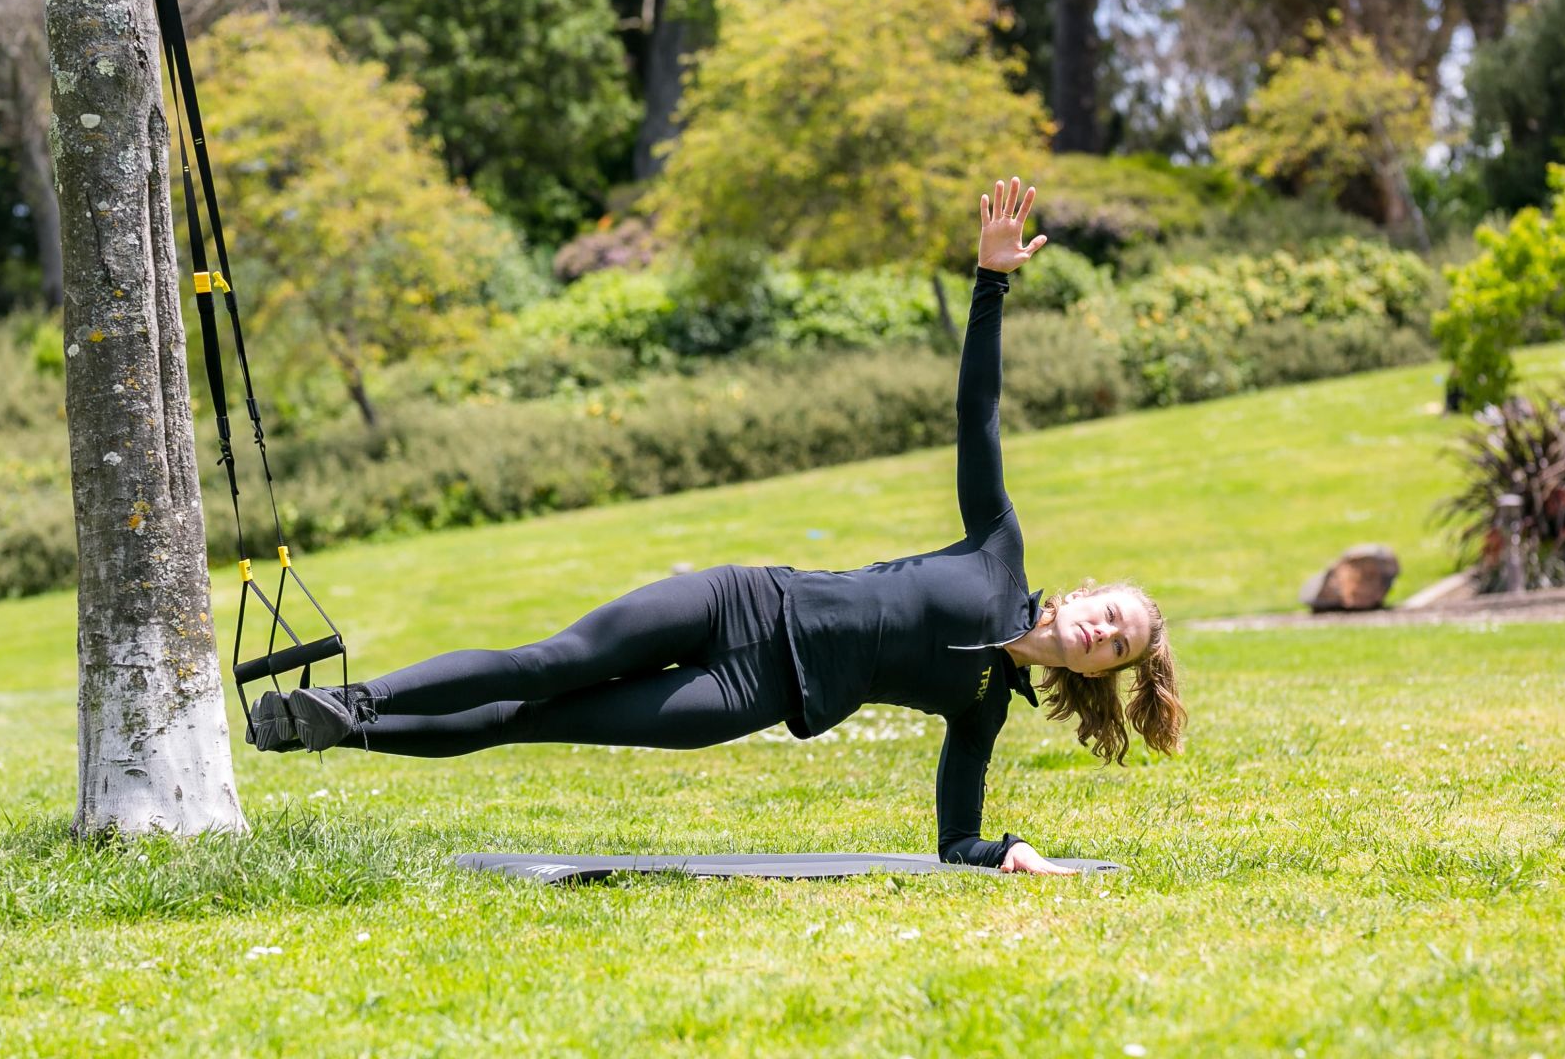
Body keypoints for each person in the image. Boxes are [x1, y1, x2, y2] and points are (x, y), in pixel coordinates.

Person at [248, 176, 1187, 874]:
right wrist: (990, 284)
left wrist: (1006, 852)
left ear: (1097, 676)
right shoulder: (997, 553)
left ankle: (331, 729)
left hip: (748, 691)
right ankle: (356, 699)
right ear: (1086, 592)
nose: (1104, 634)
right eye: (1113, 615)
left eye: (1116, 648)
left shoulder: (982, 706)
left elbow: (955, 839)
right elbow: (976, 417)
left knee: (535, 721)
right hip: (740, 600)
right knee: (549, 662)